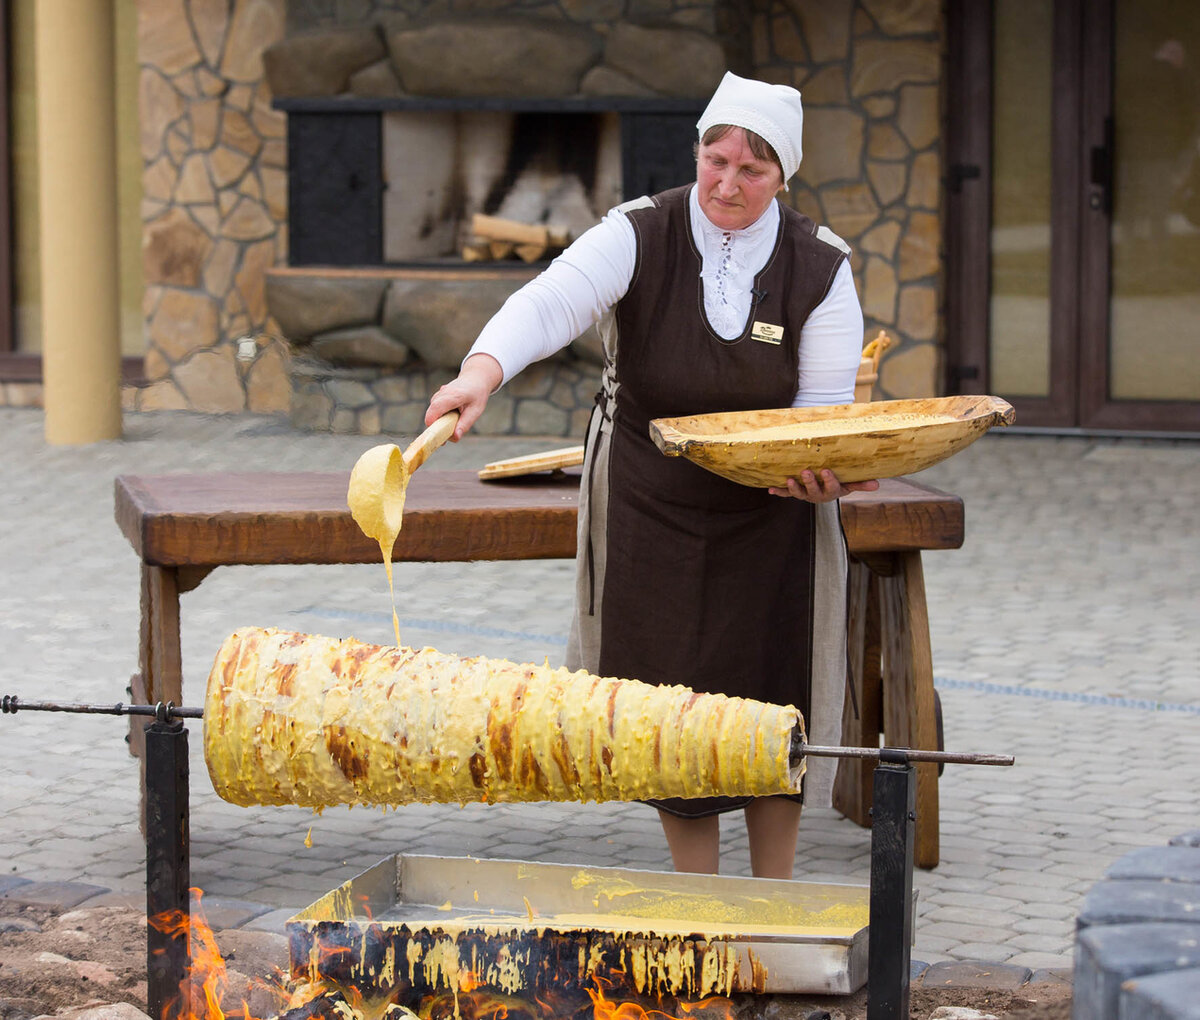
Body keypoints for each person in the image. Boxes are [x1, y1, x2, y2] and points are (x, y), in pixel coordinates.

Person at [424, 71, 878, 879]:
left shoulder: (821, 267)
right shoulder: (640, 231)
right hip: (651, 498)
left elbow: (820, 414)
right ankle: (698, 900)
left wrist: (822, 472)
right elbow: (552, 299)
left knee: (778, 695)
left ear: (784, 177)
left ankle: (771, 900)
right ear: (698, 152)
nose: (728, 185)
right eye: (716, 160)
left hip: (771, 514)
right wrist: (481, 372)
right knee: (669, 703)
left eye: (753, 170)